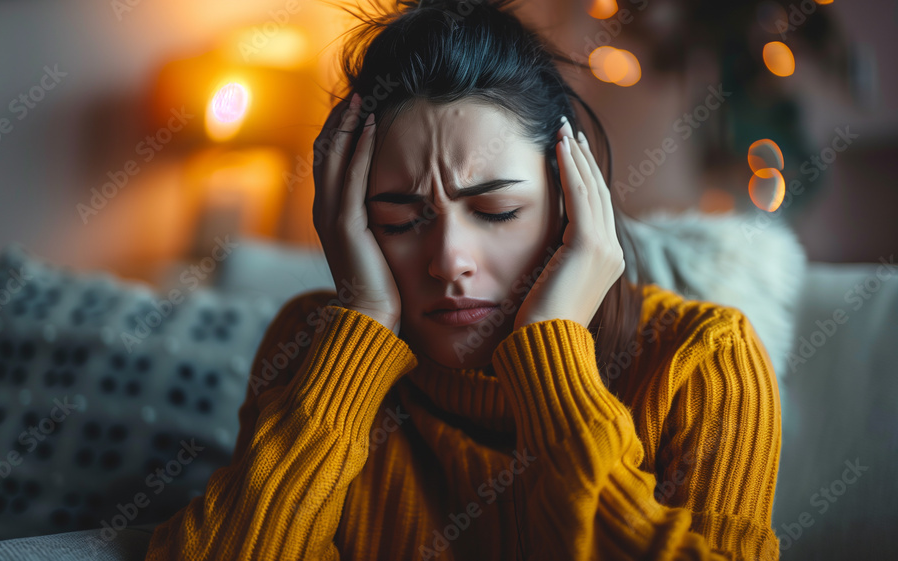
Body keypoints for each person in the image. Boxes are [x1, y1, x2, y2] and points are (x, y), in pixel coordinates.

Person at [144, 1, 782, 559]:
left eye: (497, 211)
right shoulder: (312, 345)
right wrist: (358, 330)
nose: (450, 261)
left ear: (572, 203)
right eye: (399, 220)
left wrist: (554, 356)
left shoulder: (703, 361)